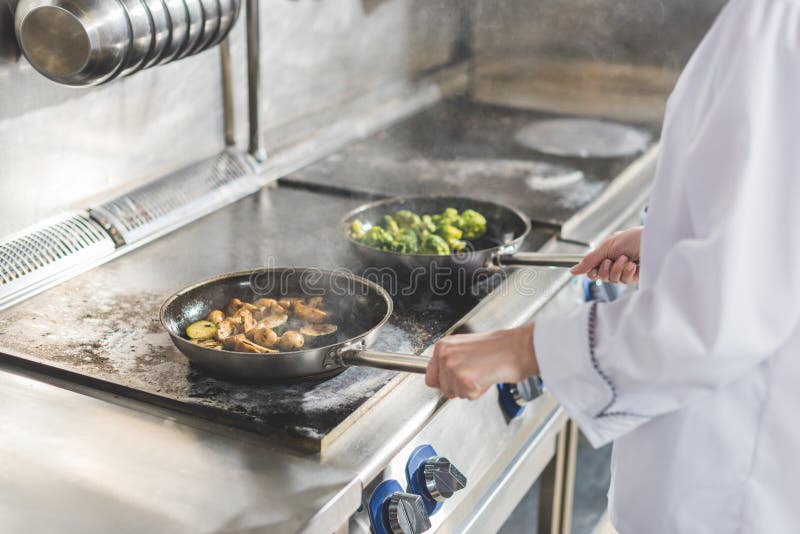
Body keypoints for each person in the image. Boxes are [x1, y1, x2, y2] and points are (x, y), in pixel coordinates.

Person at [425, 0, 800, 531]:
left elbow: (721, 317)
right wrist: (672, 243)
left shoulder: (778, 23)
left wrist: (519, 348)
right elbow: (773, 232)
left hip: (738, 485)